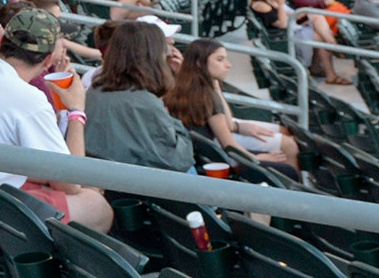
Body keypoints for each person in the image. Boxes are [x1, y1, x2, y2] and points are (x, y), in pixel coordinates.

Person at [0, 9, 113, 230]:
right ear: (49, 58)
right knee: (97, 206)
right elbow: (70, 183)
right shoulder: (29, 99)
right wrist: (76, 110)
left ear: (1, 41)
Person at [166, 38, 298, 168]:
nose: (228, 65)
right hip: (219, 161)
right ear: (200, 63)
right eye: (220, 60)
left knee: (284, 135)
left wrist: (216, 85)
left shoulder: (187, 87)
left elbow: (228, 124)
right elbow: (228, 144)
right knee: (289, 167)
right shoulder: (206, 97)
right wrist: (258, 159)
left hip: (200, 156)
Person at [85, 21, 192, 172]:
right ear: (151, 57)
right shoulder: (145, 103)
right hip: (135, 188)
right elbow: (178, 161)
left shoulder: (95, 90)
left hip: (104, 181)